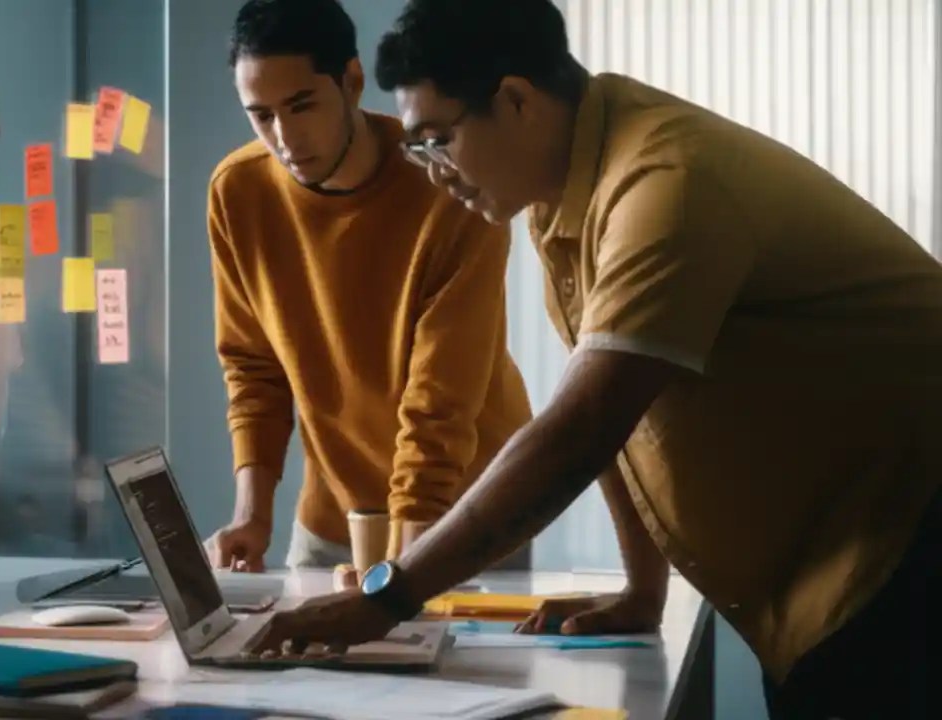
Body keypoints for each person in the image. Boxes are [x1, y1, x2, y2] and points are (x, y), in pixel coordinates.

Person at [244, 1, 942, 718]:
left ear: (516, 100)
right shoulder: (562, 195)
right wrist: (643, 591)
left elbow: (582, 426)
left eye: (438, 140)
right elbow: (617, 417)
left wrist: (388, 596)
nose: (433, 173)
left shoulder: (664, 184)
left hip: (909, 545)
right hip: (839, 571)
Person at [202, 0, 543, 577]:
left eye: (301, 105)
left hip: (466, 516)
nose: (284, 138)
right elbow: (252, 368)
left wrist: (404, 569)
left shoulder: (451, 188)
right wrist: (253, 517)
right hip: (334, 522)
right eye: (260, 115)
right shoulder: (238, 192)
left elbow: (440, 402)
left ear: (353, 82)